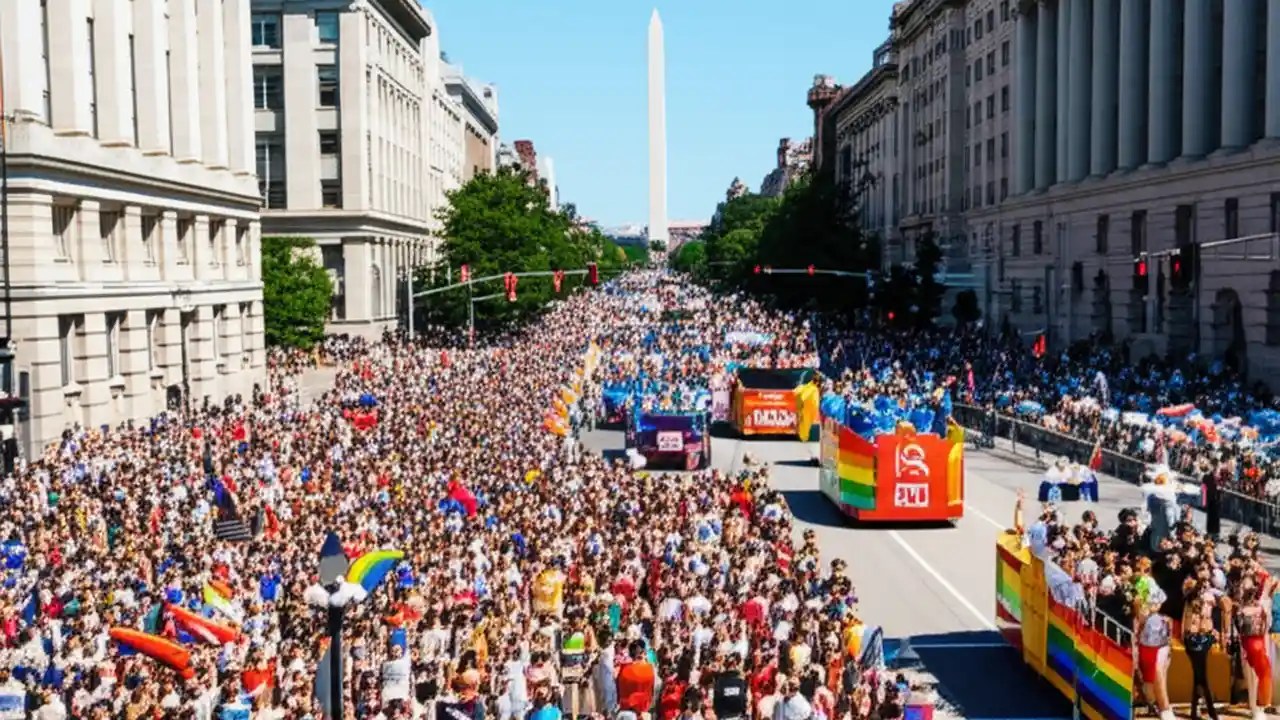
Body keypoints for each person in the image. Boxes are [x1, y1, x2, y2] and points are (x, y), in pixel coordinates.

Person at [1181, 589, 1218, 720]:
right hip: (1194, 640)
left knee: (1199, 677)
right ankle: (1211, 711)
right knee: (1201, 677)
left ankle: (1196, 709)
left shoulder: (1205, 601)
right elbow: (1187, 623)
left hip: (1200, 640)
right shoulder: (1191, 603)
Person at [616, 639, 656, 720]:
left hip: (626, 711)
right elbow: (651, 693)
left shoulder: (623, 669)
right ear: (643, 652)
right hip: (643, 712)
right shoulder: (649, 669)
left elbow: (619, 691)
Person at [712, 653, 750, 720]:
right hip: (736, 715)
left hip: (725, 715)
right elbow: (745, 700)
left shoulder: (720, 682)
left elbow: (716, 702)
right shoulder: (741, 682)